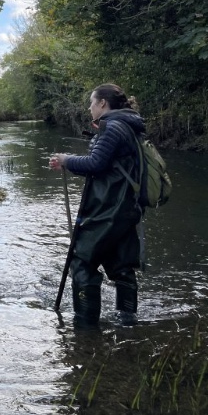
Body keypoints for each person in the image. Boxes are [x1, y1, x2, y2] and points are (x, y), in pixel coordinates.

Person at [49, 84, 146, 327]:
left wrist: (66, 159)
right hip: (125, 208)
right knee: (121, 264)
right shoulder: (128, 125)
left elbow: (96, 164)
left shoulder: (113, 127)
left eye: (92, 103)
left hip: (108, 209)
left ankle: (85, 328)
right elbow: (107, 168)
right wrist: (70, 165)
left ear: (103, 103)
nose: (89, 108)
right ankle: (128, 321)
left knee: (82, 262)